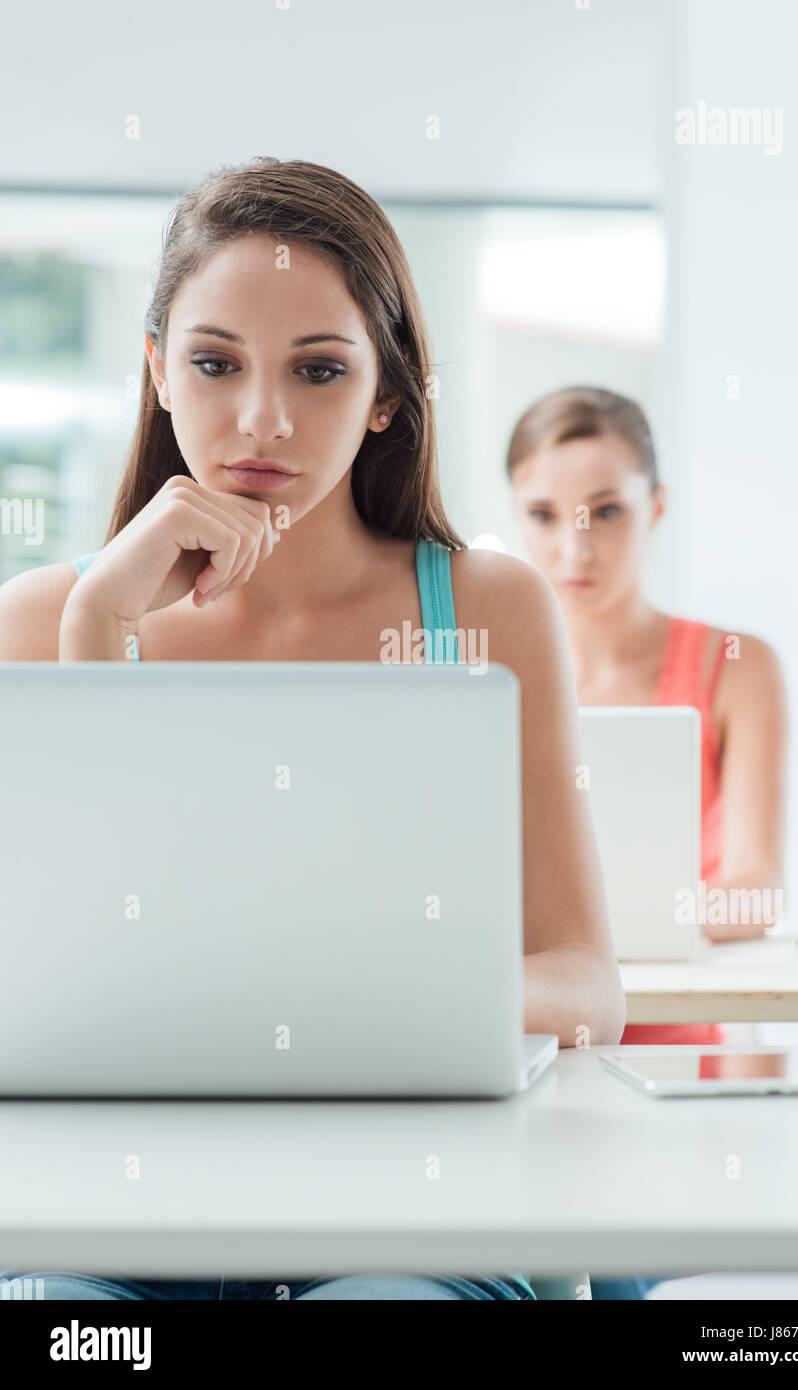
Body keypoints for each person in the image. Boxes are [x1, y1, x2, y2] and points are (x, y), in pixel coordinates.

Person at [0, 159, 625, 1301]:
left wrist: (331, 1001)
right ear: (155, 369)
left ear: (387, 392)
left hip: (413, 1210)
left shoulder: (487, 606)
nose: (262, 420)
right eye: (214, 362)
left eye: (321, 370)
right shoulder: (43, 618)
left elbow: (586, 984)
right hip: (121, 1213)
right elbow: (46, 979)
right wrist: (99, 628)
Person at [507, 386, 788, 1298]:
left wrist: (584, 939)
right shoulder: (478, 668)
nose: (572, 548)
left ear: (656, 507)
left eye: (606, 512)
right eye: (543, 515)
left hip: (667, 1071)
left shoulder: (733, 667)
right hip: (524, 1054)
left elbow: (753, 888)